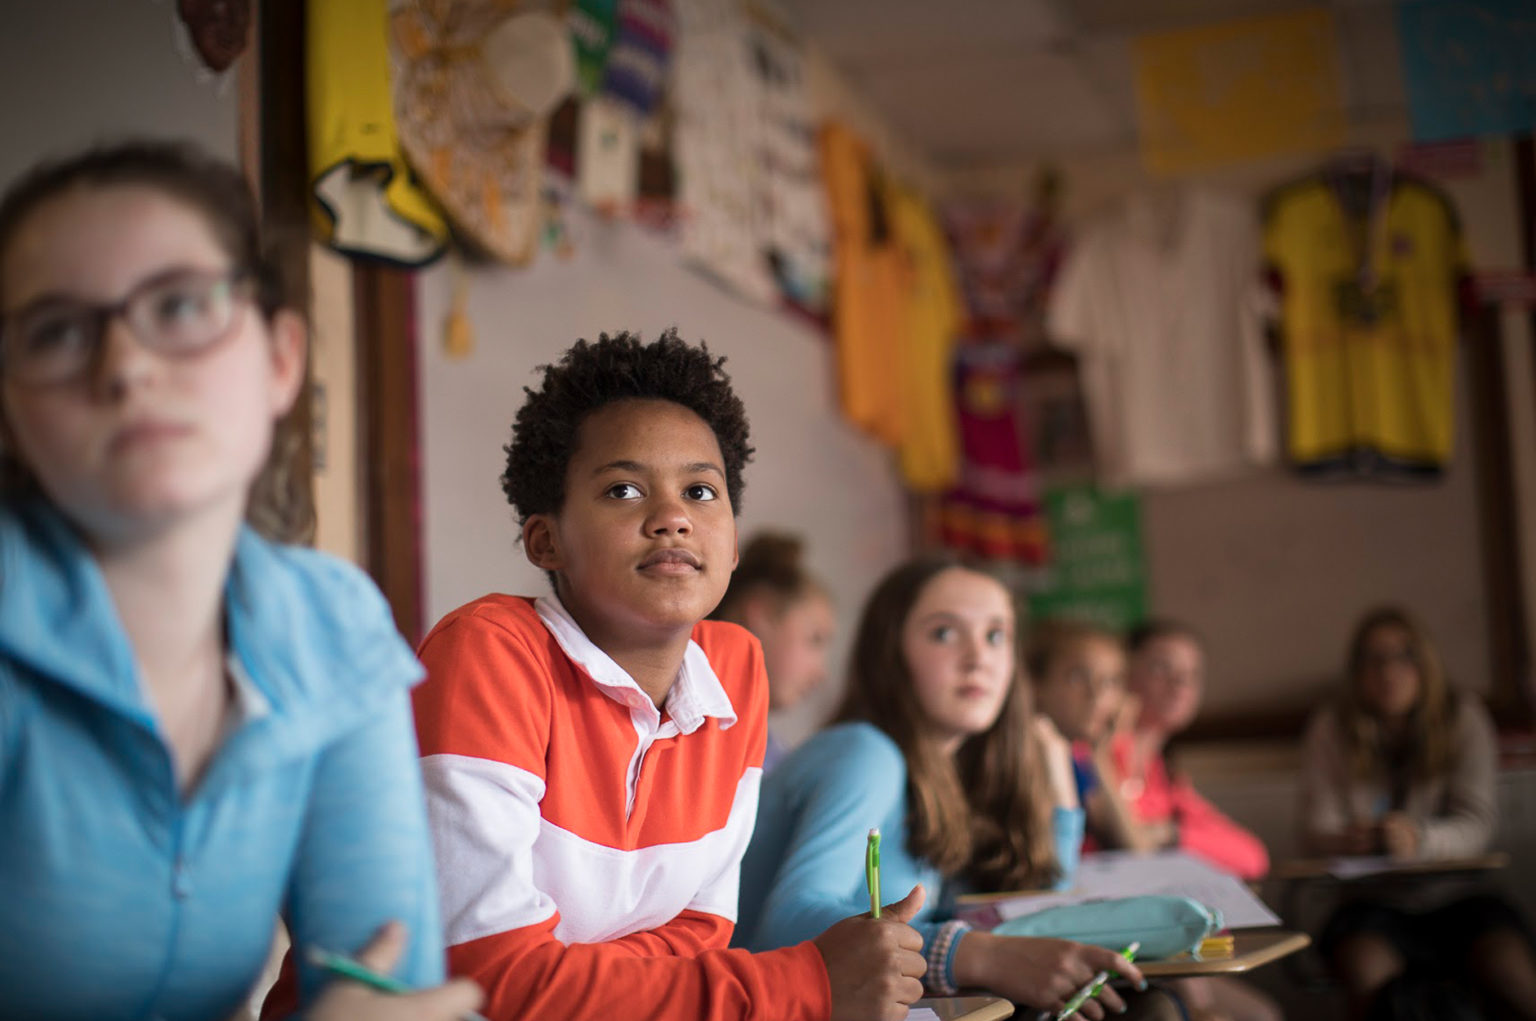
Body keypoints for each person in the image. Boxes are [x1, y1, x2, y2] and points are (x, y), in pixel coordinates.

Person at [0, 141, 479, 1019]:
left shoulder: (332, 623)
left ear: (280, 360)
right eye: (57, 331)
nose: (126, 366)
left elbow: (395, 990)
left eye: (181, 305)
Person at [409, 330, 927, 1021]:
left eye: (701, 490)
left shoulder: (735, 673)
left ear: (734, 541)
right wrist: (803, 983)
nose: (674, 518)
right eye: (623, 489)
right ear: (546, 540)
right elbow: (489, 981)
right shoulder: (490, 654)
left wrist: (566, 977)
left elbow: (698, 935)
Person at [738, 556, 1182, 1021]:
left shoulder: (944, 778)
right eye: (944, 634)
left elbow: (1037, 916)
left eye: (996, 636)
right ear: (890, 653)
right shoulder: (864, 752)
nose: (978, 659)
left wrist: (1060, 796)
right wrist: (977, 955)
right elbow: (784, 927)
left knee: (1144, 1005)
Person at [1300, 606, 1536, 1021]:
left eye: (1403, 655)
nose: (1389, 671)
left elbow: (1477, 823)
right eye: (1375, 659)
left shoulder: (1462, 717)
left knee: (1515, 980)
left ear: (1425, 663)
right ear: (1357, 670)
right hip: (1371, 902)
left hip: (1459, 895)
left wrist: (1419, 839)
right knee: (1370, 981)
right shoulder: (1332, 726)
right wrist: (1350, 840)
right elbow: (1314, 829)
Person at [710, 531, 836, 770]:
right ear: (762, 613)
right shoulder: (677, 721)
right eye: (814, 639)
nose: (821, 673)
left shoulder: (774, 754)